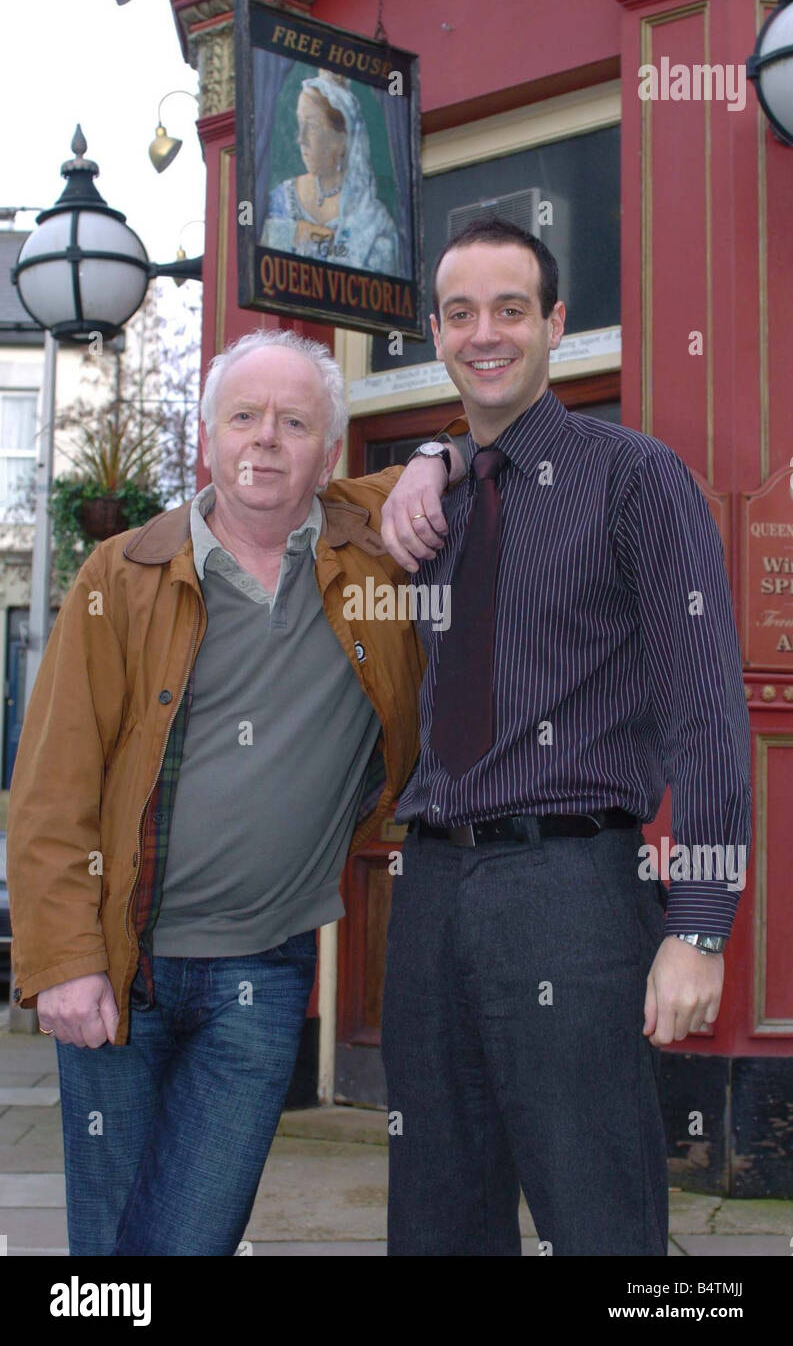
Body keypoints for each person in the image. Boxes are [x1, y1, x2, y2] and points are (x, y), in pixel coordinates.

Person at [7, 327, 464, 1257]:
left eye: (293, 422)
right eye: (244, 417)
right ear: (204, 438)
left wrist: (434, 455)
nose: (266, 439)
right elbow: (53, 786)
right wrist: (60, 960)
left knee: (187, 1241)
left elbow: (487, 441)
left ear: (327, 452)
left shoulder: (369, 549)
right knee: (110, 1251)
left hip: (261, 971)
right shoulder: (121, 574)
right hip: (119, 966)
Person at [378, 217, 752, 1256]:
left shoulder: (637, 479)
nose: (483, 332)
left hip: (573, 893)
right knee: (436, 1215)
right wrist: (430, 452)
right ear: (437, 336)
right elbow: (290, 498)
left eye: (509, 309)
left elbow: (706, 713)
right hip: (430, 895)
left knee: (600, 1216)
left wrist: (701, 923)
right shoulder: (431, 505)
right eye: (459, 313)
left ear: (554, 324)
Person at [260, 70, 405, 276]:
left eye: (312, 127)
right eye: (300, 124)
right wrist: (295, 232)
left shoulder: (375, 223)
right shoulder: (280, 200)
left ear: (342, 139)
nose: (301, 139)